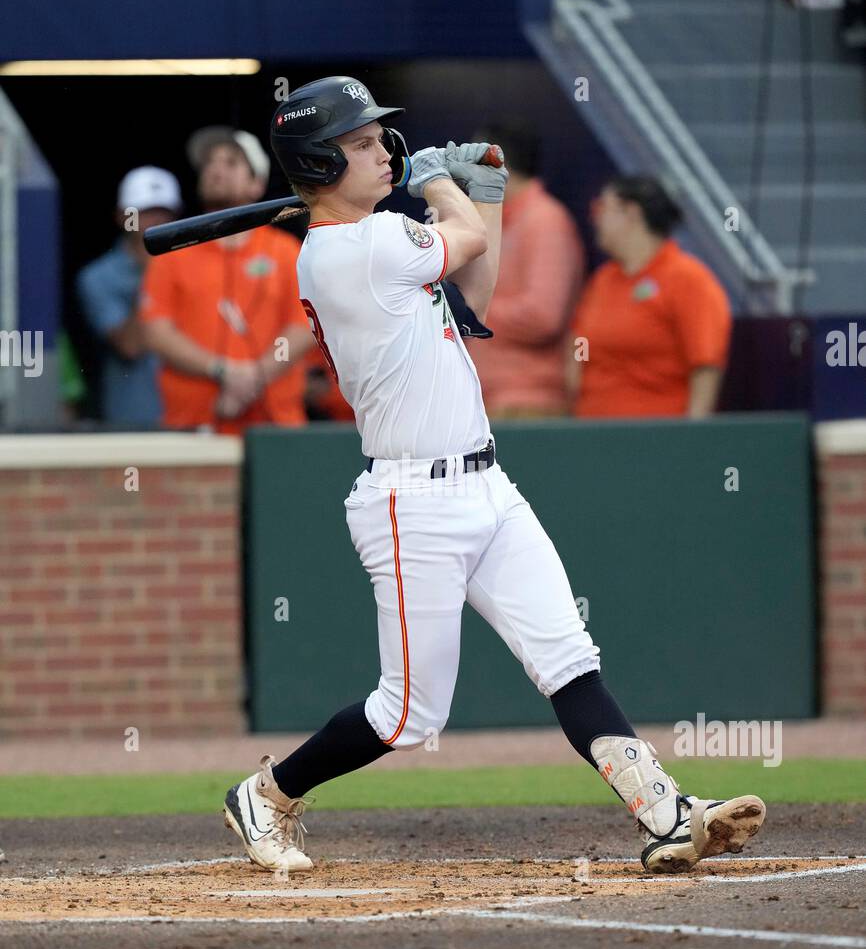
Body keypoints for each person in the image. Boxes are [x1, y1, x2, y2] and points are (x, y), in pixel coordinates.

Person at [213, 76, 765, 878]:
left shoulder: (376, 241)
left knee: (567, 657)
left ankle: (664, 813)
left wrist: (484, 193)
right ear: (317, 160)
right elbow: (459, 239)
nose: (383, 151)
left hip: (486, 485)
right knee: (408, 712)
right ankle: (267, 794)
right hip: (410, 501)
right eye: (362, 144)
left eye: (381, 138)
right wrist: (440, 180)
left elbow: (474, 295)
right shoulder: (353, 249)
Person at [140, 128, 315, 434]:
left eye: (231, 162)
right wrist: (224, 371)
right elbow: (156, 332)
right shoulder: (172, 253)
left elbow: (305, 325)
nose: (216, 169)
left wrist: (252, 378)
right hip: (192, 427)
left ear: (256, 183)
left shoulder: (286, 251)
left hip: (275, 425)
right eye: (209, 162)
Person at [569, 177, 732, 420]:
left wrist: (693, 438)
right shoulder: (602, 281)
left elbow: (705, 367)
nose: (595, 218)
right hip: (595, 433)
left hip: (659, 437)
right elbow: (578, 349)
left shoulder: (689, 279)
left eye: (601, 208)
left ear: (632, 213)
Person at [466, 123, 584, 418]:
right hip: (488, 400)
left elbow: (543, 316)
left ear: (495, 162)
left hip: (525, 405)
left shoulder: (545, 221)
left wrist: (468, 311)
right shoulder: (498, 219)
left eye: (472, 159)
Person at [76, 166, 181, 426]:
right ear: (122, 217)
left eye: (163, 212)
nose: (156, 221)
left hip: (195, 413)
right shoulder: (98, 276)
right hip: (134, 420)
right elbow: (130, 346)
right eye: (144, 213)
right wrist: (155, 272)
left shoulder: (196, 268)